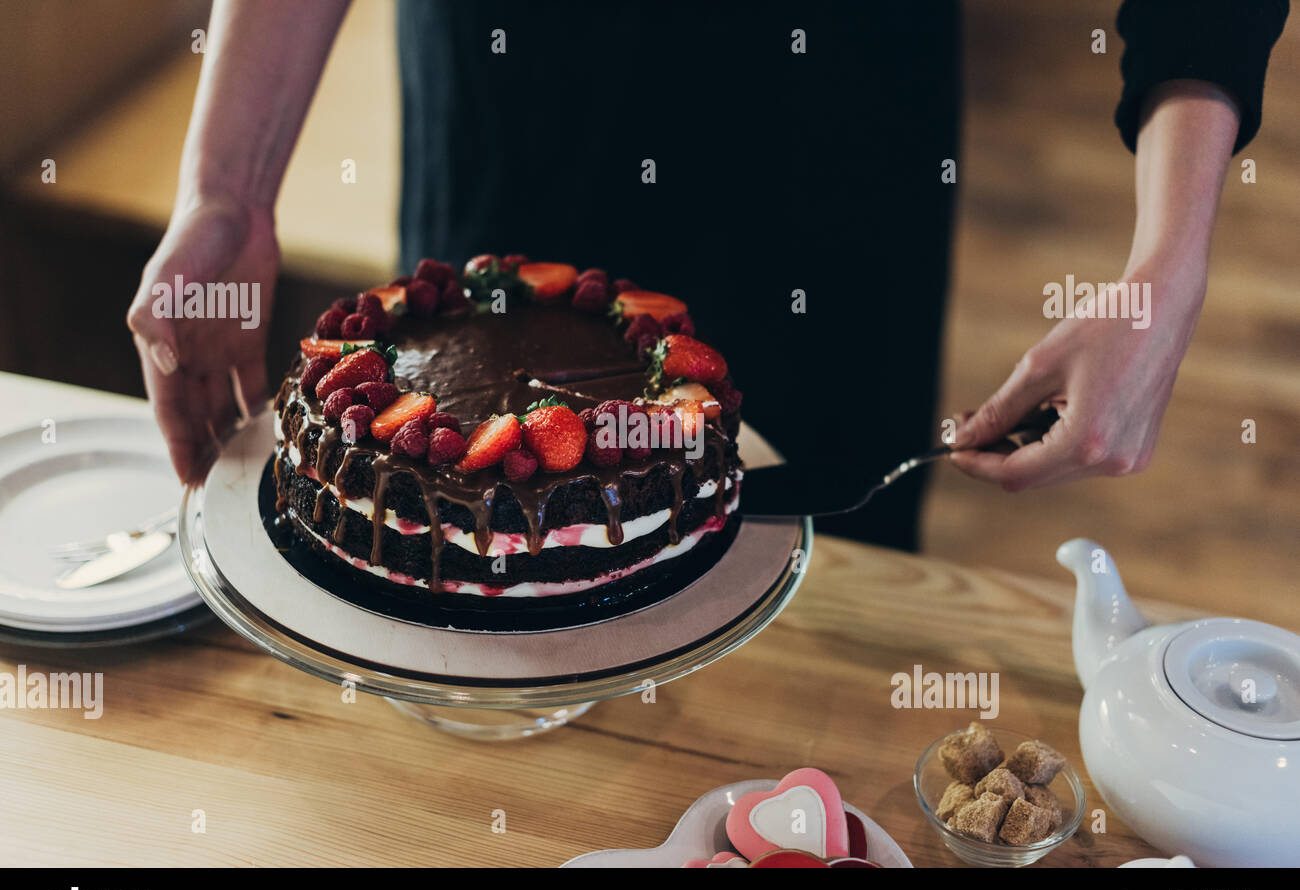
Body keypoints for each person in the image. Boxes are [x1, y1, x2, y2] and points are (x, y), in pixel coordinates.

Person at [127, 0, 1288, 550]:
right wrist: (228, 188)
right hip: (514, 111)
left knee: (816, 602)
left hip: (828, 139)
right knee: (482, 580)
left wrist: (1166, 262)